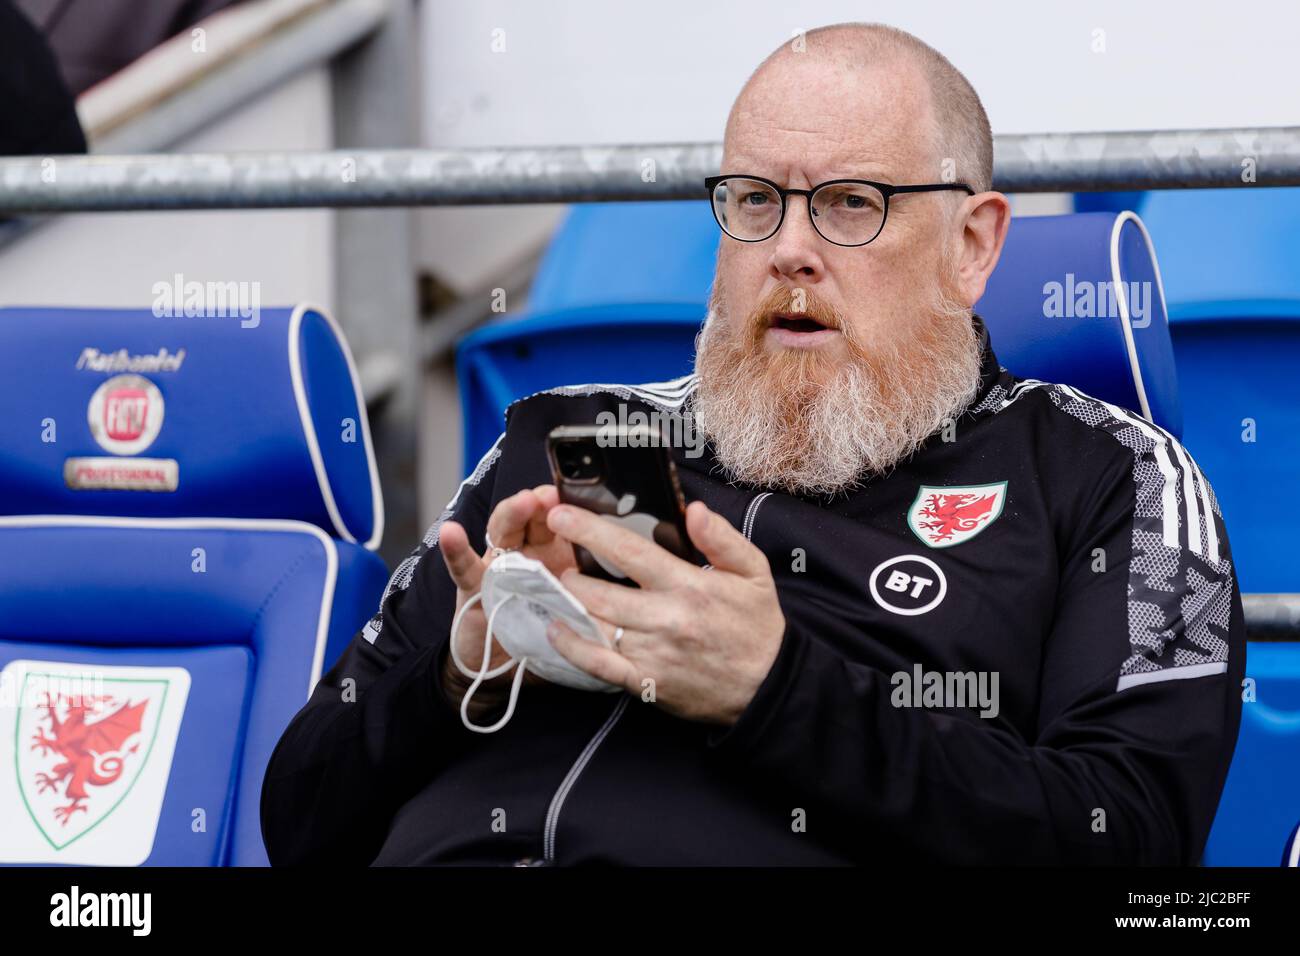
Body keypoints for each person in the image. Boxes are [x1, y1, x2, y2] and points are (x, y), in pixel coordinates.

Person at [261, 22, 1244, 865]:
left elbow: (1134, 838)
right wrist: (454, 673)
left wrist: (774, 690)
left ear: (972, 244)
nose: (790, 248)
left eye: (851, 202)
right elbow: (297, 819)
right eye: (753, 201)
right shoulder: (562, 438)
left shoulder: (1113, 479)